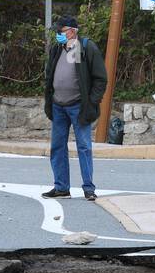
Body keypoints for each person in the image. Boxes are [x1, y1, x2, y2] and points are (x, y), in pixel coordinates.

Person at [42, 16, 107, 201]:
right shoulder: (57, 49)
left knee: (84, 147)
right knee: (57, 147)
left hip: (79, 106)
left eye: (61, 31)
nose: (58, 34)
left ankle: (88, 188)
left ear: (72, 31)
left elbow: (100, 78)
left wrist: (92, 102)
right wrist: (49, 98)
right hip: (58, 105)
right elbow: (50, 75)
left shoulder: (85, 47)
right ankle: (61, 187)